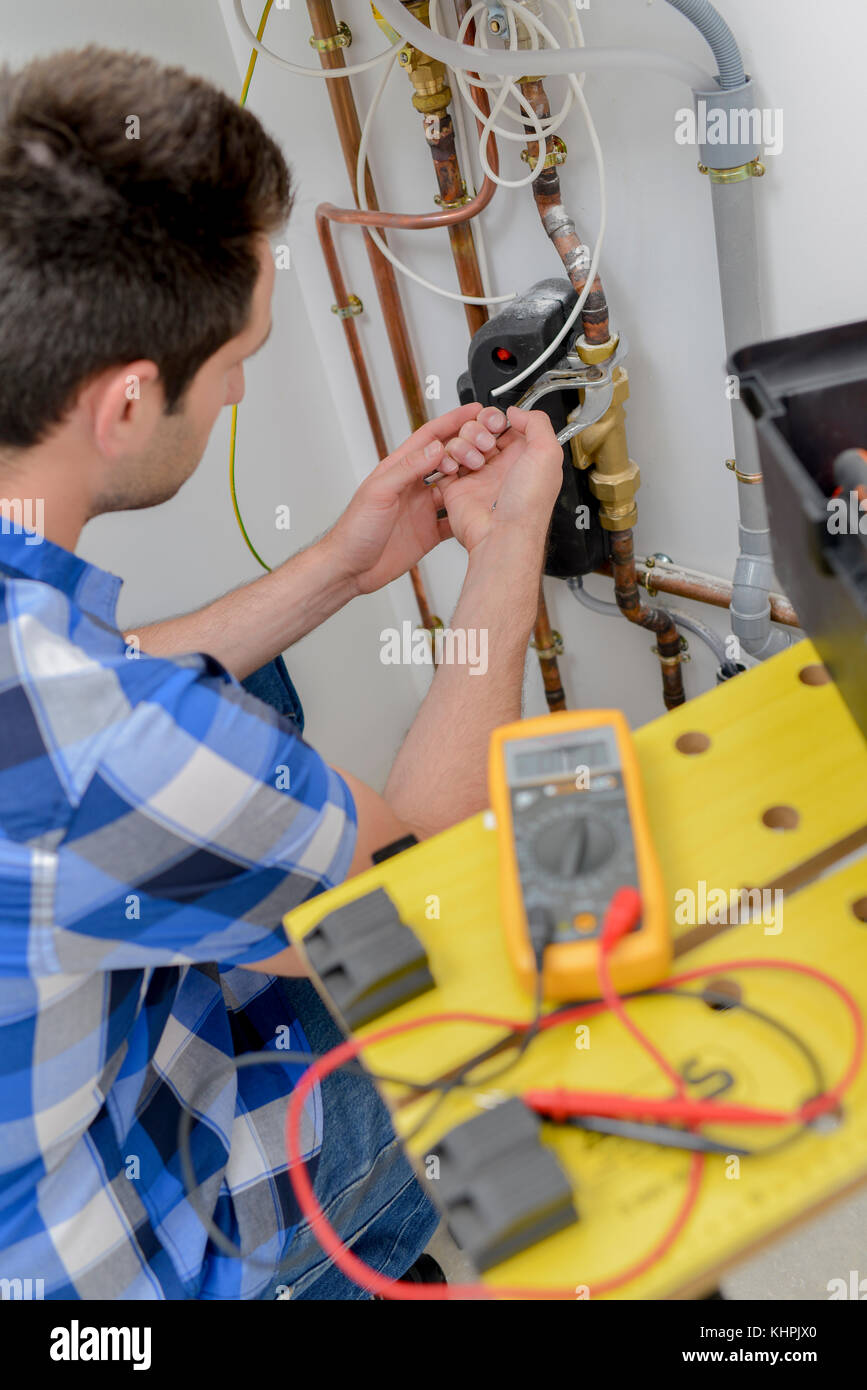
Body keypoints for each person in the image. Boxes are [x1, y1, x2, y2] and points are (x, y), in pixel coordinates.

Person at [0, 47, 563, 1299]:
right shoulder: (108, 747)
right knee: (479, 996)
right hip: (105, 1259)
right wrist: (506, 549)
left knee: (266, 704)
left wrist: (343, 563)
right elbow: (435, 891)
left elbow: (95, 674)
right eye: (238, 357)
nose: (248, 381)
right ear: (127, 403)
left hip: (60, 1057)